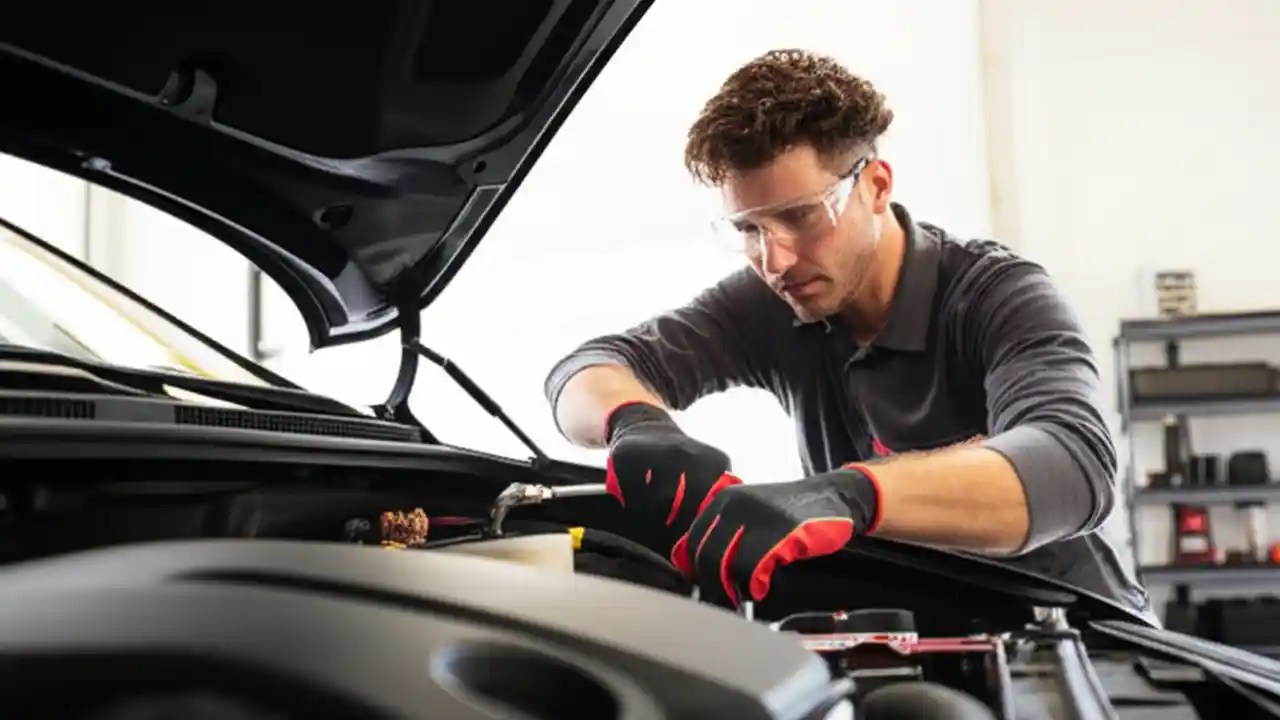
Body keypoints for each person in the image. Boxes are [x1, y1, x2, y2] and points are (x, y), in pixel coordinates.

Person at [542, 49, 1150, 618]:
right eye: (749, 230)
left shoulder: (998, 296)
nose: (775, 260)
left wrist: (849, 495)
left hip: (1080, 636)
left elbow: (1074, 468)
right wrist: (635, 422)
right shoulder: (775, 300)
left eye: (801, 216)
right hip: (919, 632)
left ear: (877, 186)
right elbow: (587, 368)